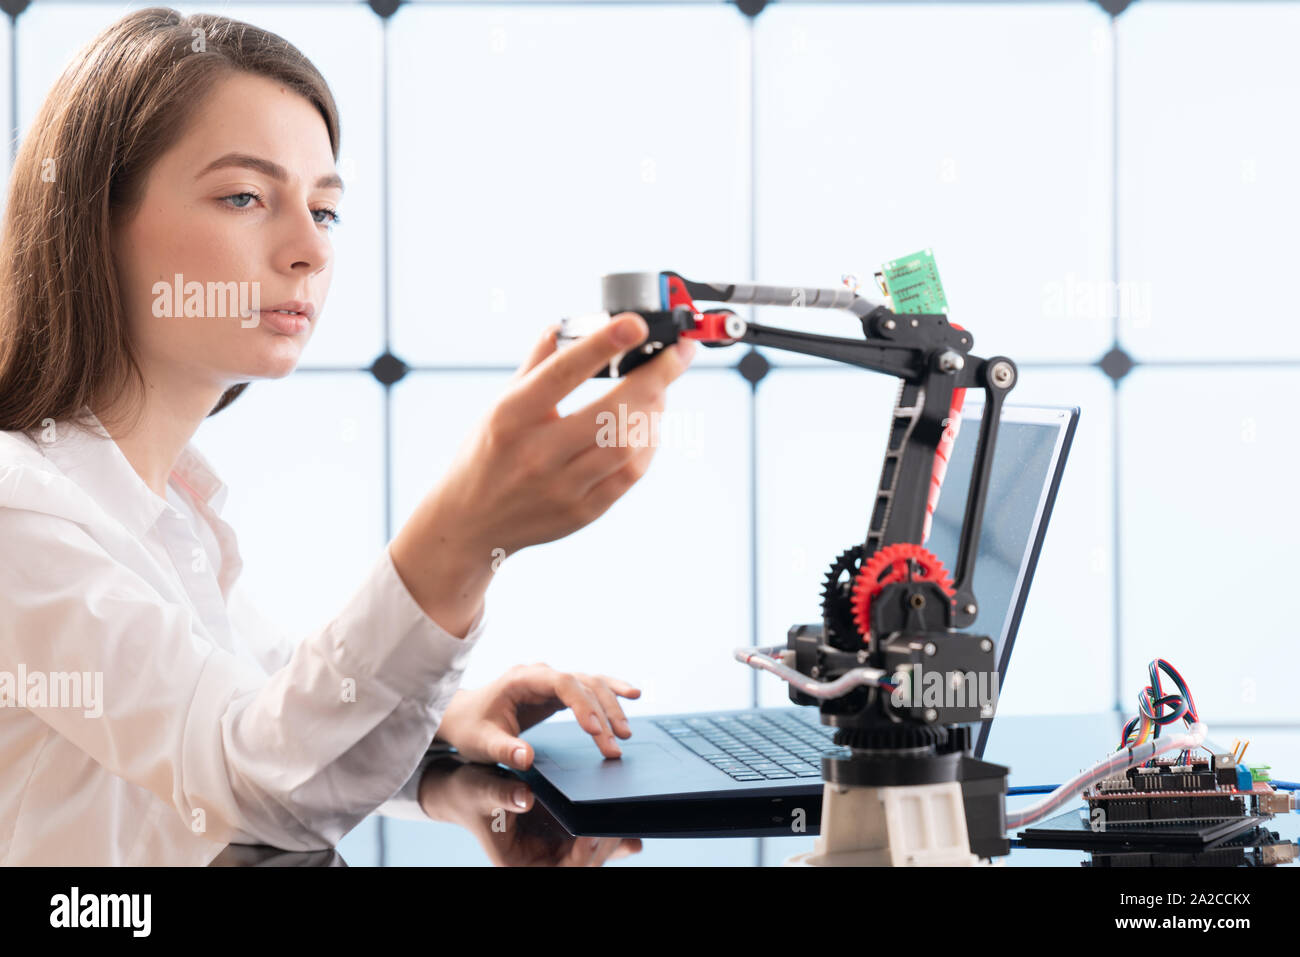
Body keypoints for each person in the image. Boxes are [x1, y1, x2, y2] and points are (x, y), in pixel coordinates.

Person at [0, 8, 695, 865]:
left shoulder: (173, 509)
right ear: (91, 219)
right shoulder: (17, 507)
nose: (307, 250)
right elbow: (251, 783)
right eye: (244, 197)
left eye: (324, 210)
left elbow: (263, 707)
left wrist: (441, 722)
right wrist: (463, 536)